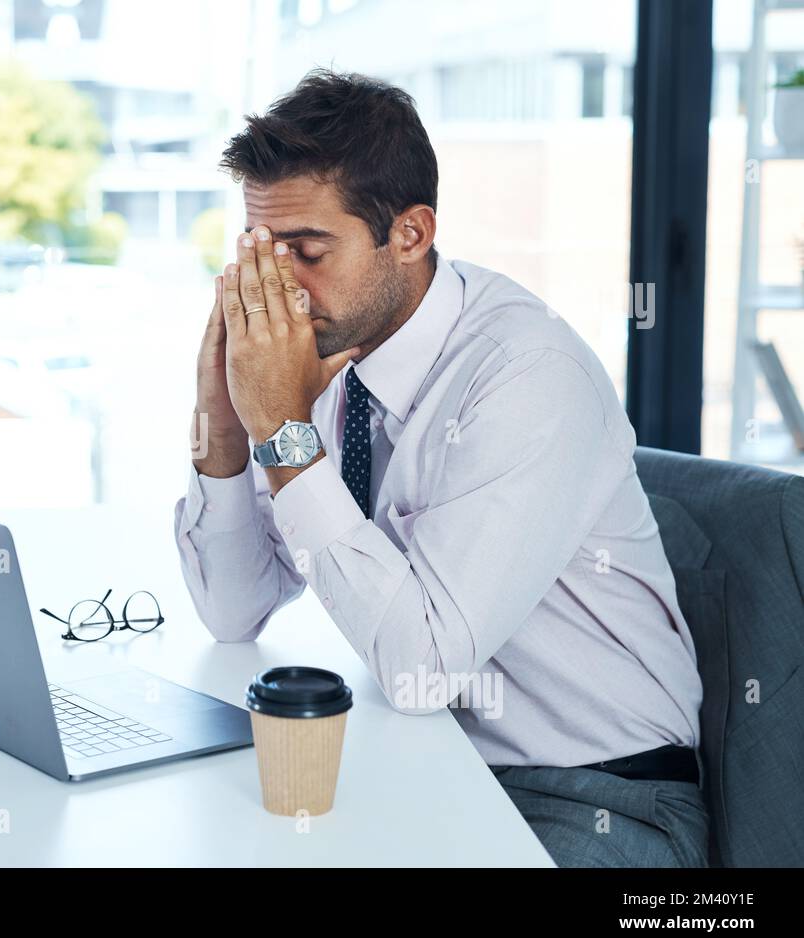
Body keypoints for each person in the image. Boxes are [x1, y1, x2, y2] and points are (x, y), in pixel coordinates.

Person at [174, 69, 708, 868]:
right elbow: (231, 608)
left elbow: (420, 670)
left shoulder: (526, 374)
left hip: (600, 798)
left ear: (412, 233)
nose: (279, 285)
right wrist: (224, 418)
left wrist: (284, 431)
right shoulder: (324, 357)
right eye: (262, 251)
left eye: (308, 252)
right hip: (425, 763)